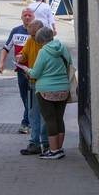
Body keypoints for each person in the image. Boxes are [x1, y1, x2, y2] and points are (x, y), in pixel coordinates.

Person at [25, 27, 73, 159]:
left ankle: (53, 150)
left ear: (41, 40)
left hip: (46, 91)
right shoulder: (62, 47)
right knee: (59, 118)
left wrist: (27, 70)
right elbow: (70, 64)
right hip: (63, 88)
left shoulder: (43, 52)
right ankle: (59, 148)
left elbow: (35, 73)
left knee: (50, 119)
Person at [16, 17, 48, 155]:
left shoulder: (46, 43)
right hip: (33, 82)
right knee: (33, 113)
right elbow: (24, 54)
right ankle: (34, 142)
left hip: (44, 83)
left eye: (34, 35)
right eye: (31, 35)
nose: (33, 38)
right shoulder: (30, 40)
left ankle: (45, 143)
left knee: (44, 115)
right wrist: (21, 57)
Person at [1, 8, 35, 128]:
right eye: (25, 15)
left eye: (29, 15)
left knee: (32, 98)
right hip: (21, 70)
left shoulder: (37, 32)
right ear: (21, 17)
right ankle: (29, 121)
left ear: (33, 17)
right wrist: (1, 63)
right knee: (25, 97)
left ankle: (26, 122)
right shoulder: (15, 31)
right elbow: (6, 48)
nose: (27, 17)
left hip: (35, 71)